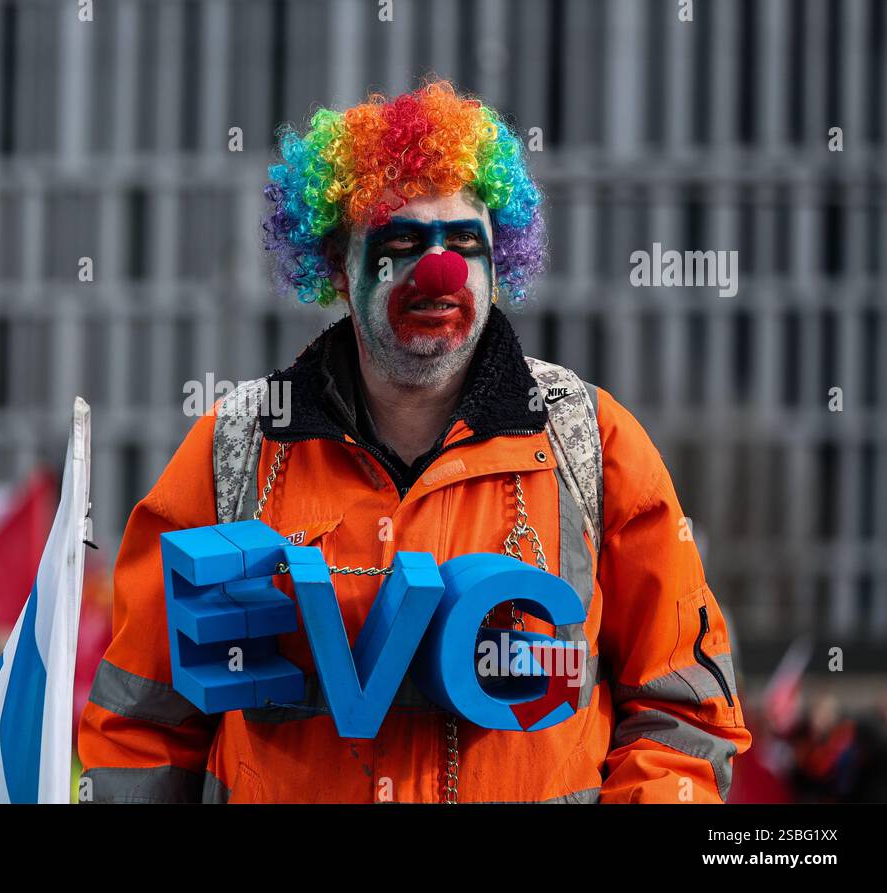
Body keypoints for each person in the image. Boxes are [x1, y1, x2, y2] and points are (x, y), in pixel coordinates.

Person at [78, 80, 750, 803]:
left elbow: (679, 714)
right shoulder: (236, 445)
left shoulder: (596, 442)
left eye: (465, 242)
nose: (442, 271)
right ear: (339, 264)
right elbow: (142, 724)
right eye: (403, 243)